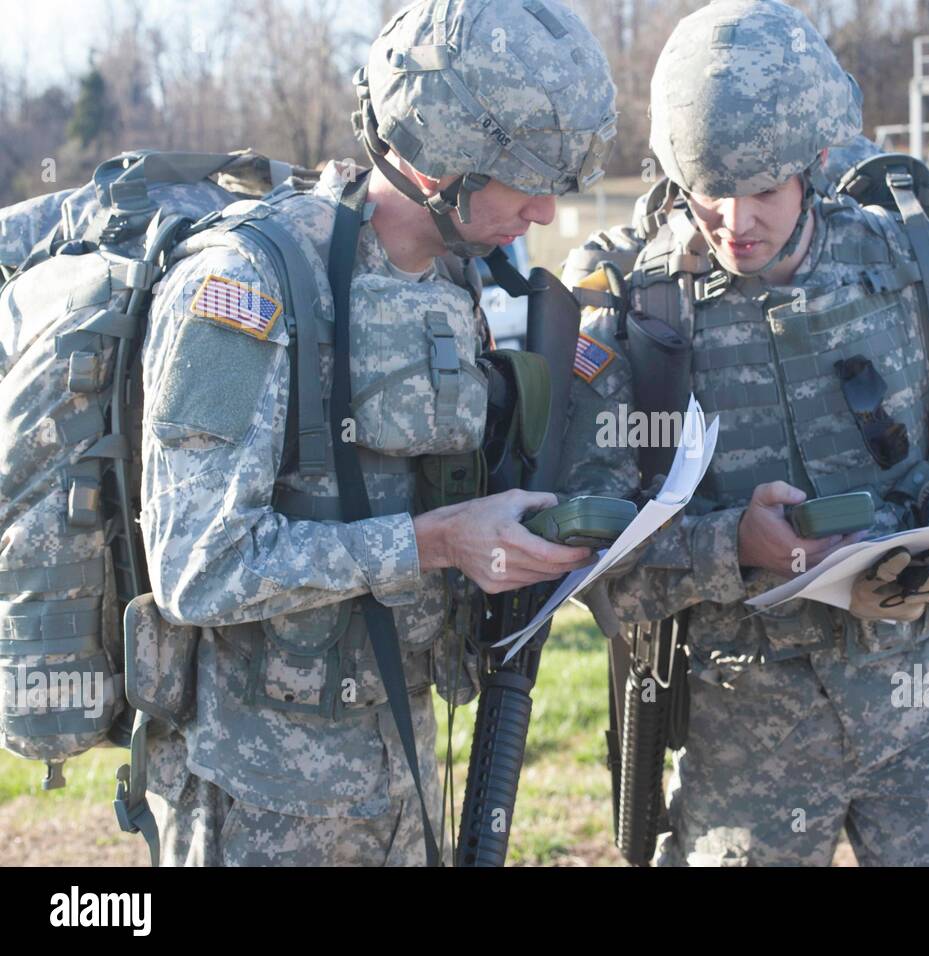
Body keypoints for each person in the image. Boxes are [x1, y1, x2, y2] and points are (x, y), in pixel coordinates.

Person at [557, 0, 929, 866]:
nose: (736, 221)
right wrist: (732, 545)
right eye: (708, 194)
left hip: (926, 703)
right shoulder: (636, 318)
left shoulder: (923, 268)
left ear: (813, 164)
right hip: (748, 733)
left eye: (763, 190)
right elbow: (588, 543)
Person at [135, 0, 616, 866]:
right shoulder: (247, 281)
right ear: (446, 157)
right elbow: (196, 566)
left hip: (404, 771)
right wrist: (432, 544)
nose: (545, 211)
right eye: (528, 177)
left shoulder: (450, 283)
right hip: (262, 804)